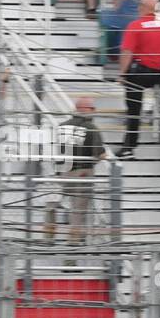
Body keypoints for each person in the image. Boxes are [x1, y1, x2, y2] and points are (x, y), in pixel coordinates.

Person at [49, 96, 108, 249]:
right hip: (83, 174)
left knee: (51, 204)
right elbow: (101, 154)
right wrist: (93, 163)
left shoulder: (62, 126)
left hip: (62, 173)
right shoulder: (91, 127)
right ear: (86, 110)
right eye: (92, 108)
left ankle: (48, 236)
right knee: (78, 211)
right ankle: (73, 244)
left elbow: (56, 151)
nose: (95, 111)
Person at [118, 0, 160, 159]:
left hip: (140, 73)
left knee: (133, 111)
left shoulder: (135, 25)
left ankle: (129, 147)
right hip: (159, 74)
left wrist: (122, 74)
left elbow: (126, 53)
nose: (138, 8)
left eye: (140, 5)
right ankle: (150, 113)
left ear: (143, 8)